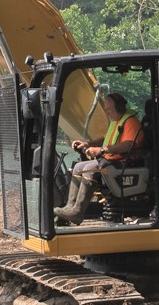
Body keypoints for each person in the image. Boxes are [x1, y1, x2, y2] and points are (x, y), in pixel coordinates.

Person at [54, 92, 143, 223]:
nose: (107, 113)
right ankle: (70, 207)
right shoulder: (116, 121)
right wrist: (88, 143)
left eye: (109, 109)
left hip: (124, 162)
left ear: (119, 107)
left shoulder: (131, 122)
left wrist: (101, 150)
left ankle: (78, 211)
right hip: (111, 160)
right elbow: (105, 138)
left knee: (90, 167)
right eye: (106, 110)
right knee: (78, 166)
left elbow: (128, 145)